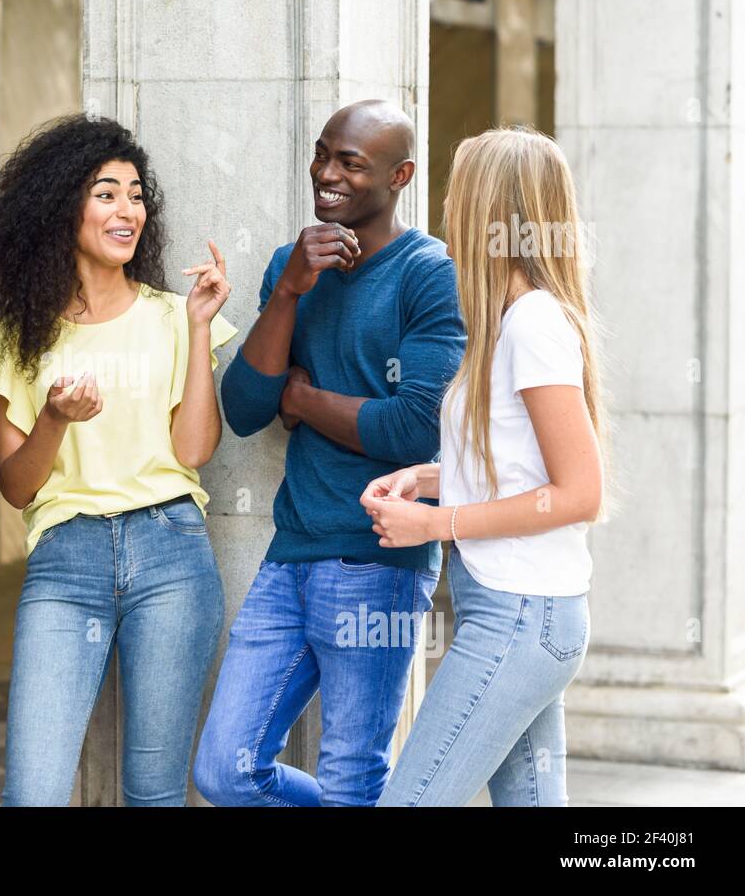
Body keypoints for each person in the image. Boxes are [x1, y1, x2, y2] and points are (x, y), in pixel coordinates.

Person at [192, 100, 466, 807]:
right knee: (225, 770)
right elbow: (245, 409)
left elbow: (414, 429)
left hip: (379, 561)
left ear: (400, 176)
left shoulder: (430, 273)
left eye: (351, 162)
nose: (326, 173)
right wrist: (288, 291)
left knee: (352, 777)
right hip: (290, 553)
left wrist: (305, 399)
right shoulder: (292, 266)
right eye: (322, 154)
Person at [0, 115, 238, 805]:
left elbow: (194, 450)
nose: (128, 211)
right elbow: (17, 487)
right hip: (66, 560)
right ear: (62, 208)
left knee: (153, 793)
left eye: (137, 195)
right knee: (33, 792)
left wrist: (200, 325)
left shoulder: (174, 316)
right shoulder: (16, 336)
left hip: (171, 552)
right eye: (107, 194)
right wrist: (55, 418)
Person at [370, 127, 607, 807]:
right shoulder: (509, 323)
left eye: (458, 196)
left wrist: (435, 523)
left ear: (491, 215)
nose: (448, 213)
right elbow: (516, 464)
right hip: (520, 611)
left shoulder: (532, 324)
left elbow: (579, 492)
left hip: (519, 615)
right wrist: (425, 480)